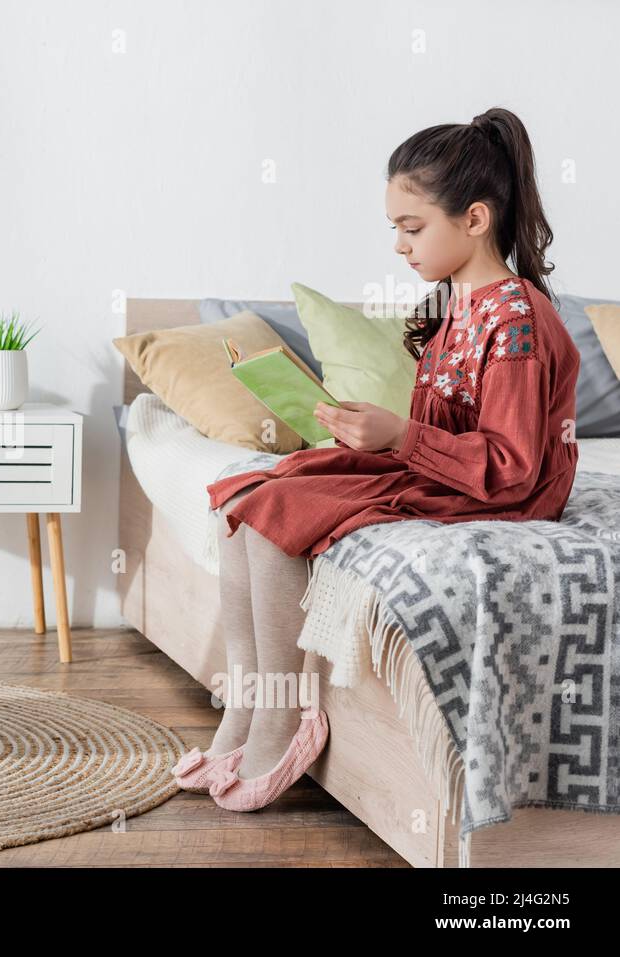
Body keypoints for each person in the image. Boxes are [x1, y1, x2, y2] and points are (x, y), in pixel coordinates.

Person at [172, 107, 580, 812]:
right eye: (395, 227)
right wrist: (359, 430)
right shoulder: (454, 301)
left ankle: (287, 714)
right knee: (242, 497)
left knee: (279, 518)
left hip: (500, 490)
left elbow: (511, 464)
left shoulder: (513, 316)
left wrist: (397, 439)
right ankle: (247, 706)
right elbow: (438, 422)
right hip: (443, 466)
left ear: (475, 219)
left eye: (411, 227)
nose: (397, 244)